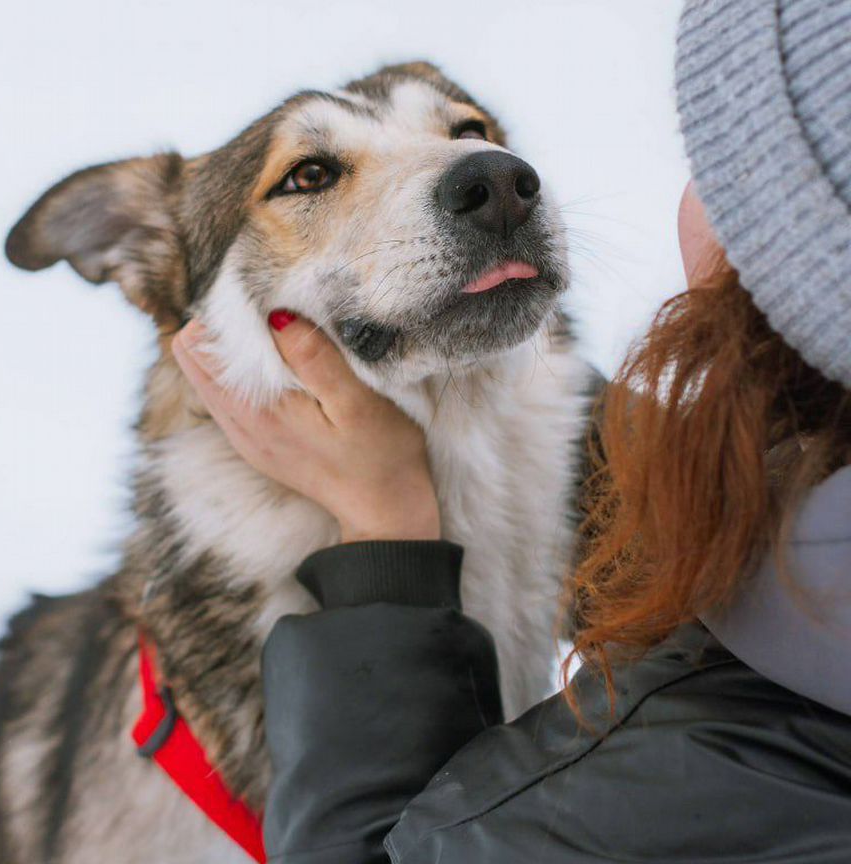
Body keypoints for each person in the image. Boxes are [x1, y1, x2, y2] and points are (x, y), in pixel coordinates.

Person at [172, 1, 851, 860]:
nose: (488, 174)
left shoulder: (707, 774)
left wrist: (386, 524)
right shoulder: (806, 496)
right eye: (311, 175)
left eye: (735, 173)